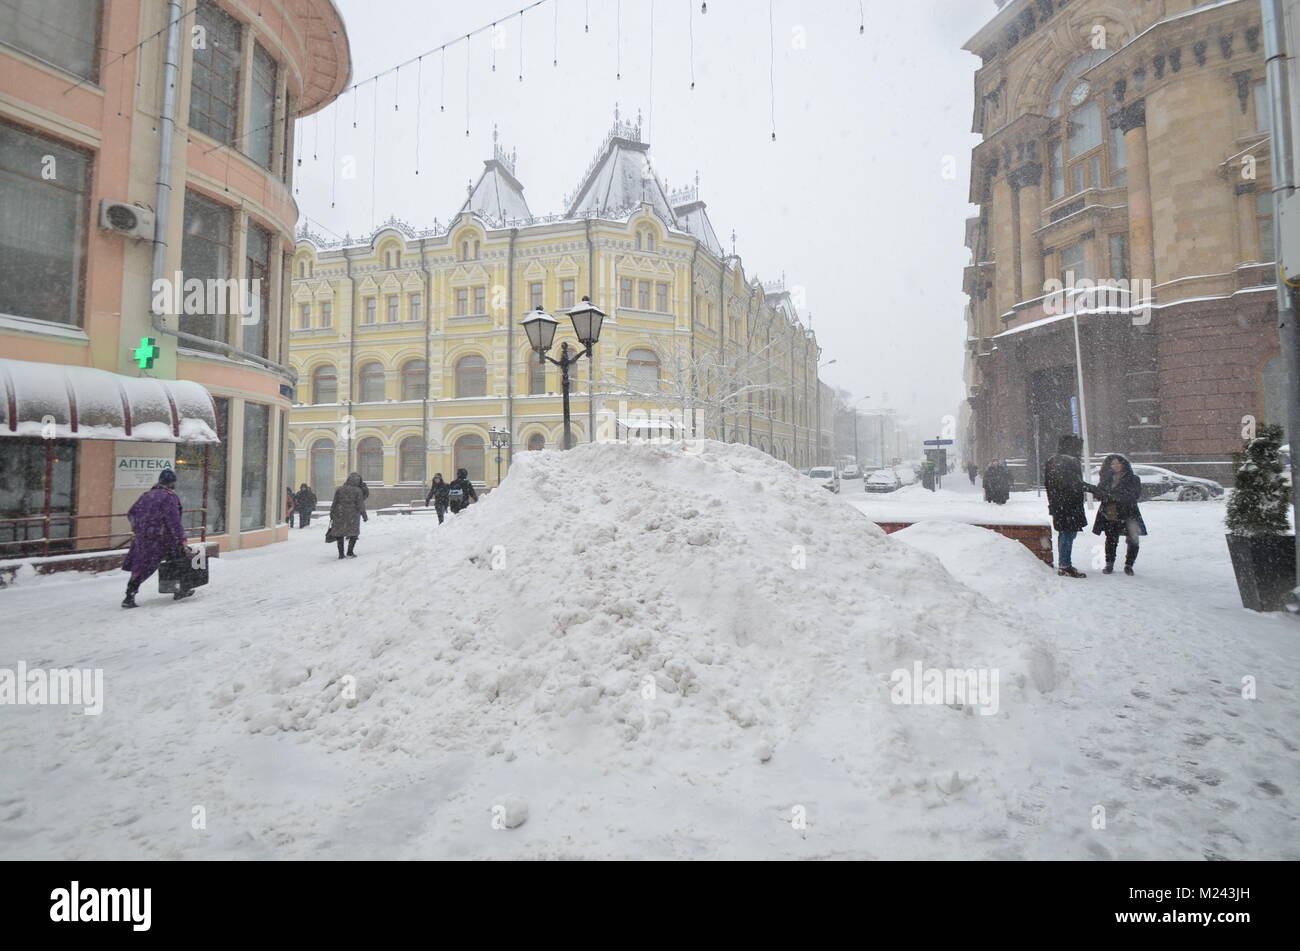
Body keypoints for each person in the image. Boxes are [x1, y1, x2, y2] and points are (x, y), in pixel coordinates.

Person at [121, 468, 192, 608]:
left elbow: (131, 513)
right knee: (177, 560)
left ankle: (129, 595)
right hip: (163, 538)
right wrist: (181, 539)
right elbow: (173, 521)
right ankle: (179, 590)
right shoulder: (169, 497)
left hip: (144, 538)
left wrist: (140, 528)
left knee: (141, 566)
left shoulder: (146, 495)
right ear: (172, 483)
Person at [1044, 434, 1099, 579]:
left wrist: (1054, 502)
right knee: (1068, 534)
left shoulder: (1052, 460)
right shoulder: (1069, 461)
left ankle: (1064, 564)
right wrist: (1094, 489)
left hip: (1058, 504)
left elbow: (1050, 485)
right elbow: (1074, 483)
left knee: (1065, 533)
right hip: (1069, 505)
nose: (1080, 450)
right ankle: (1065, 565)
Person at [1092, 453, 1147, 575]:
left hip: (1129, 511)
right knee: (1111, 538)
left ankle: (1129, 565)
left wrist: (1113, 496)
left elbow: (1134, 494)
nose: (1115, 466)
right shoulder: (1106, 478)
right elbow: (1099, 493)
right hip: (1111, 510)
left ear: (1124, 464)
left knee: (1133, 538)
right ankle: (1109, 564)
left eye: (1118, 463)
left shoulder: (1134, 478)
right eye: (1112, 464)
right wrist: (1099, 493)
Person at [328, 472, 367, 559]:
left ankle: (341, 554)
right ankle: (350, 551)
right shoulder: (358, 491)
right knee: (354, 533)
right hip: (352, 515)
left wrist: (332, 513)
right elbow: (360, 504)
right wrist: (364, 515)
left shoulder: (339, 489)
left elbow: (335, 502)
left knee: (340, 534)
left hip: (339, 513)